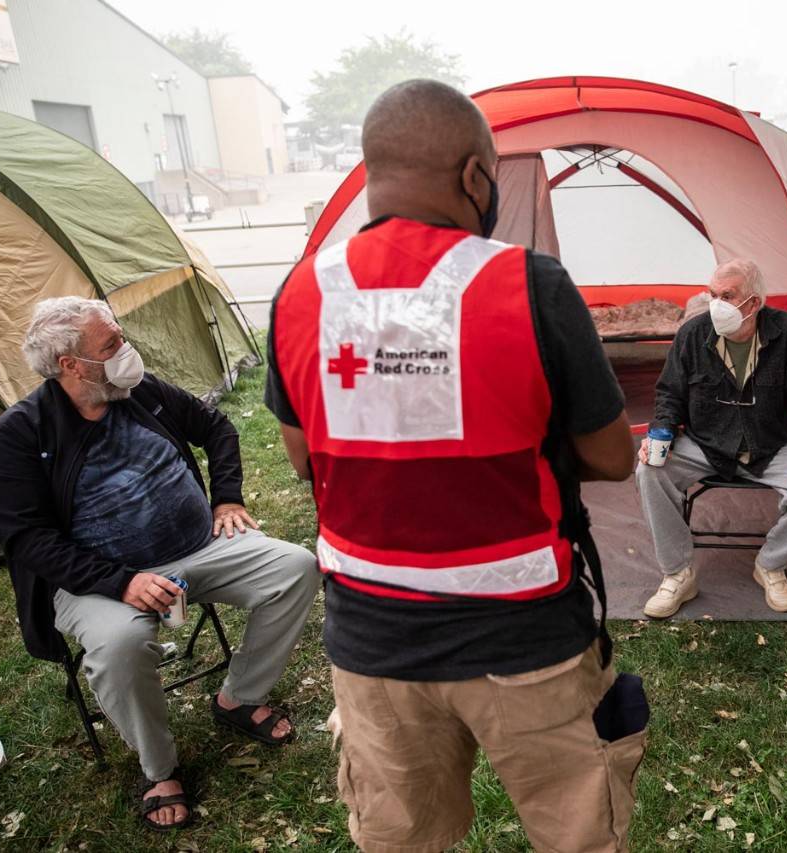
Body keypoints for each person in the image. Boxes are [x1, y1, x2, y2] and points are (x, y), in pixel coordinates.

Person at [265, 79, 645, 853]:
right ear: (476, 177)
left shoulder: (301, 292)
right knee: (578, 832)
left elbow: (303, 458)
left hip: (372, 645)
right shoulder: (530, 284)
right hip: (526, 644)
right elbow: (612, 456)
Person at [0, 297, 319, 831]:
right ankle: (159, 769)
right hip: (95, 579)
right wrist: (120, 582)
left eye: (120, 336)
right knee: (119, 645)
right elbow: (26, 538)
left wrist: (226, 497)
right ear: (71, 365)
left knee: (296, 567)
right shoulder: (20, 435)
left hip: (197, 546)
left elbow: (216, 428)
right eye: (111, 344)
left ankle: (239, 697)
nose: (127, 351)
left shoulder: (139, 390)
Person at [637, 259, 787, 617]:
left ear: (754, 302)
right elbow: (669, 393)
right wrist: (661, 433)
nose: (716, 304)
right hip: (706, 445)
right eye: (712, 294)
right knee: (650, 471)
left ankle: (770, 565)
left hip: (772, 445)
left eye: (727, 296)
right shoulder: (693, 334)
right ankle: (678, 573)